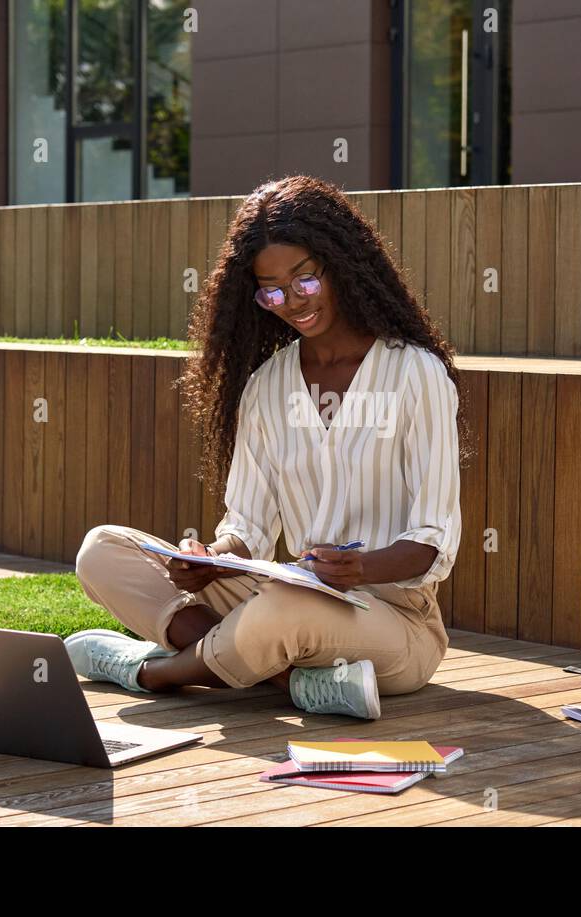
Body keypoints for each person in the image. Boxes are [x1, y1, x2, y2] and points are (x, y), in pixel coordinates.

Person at [66, 175, 466, 720]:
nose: (290, 301)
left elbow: (432, 542)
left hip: (395, 620)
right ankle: (293, 682)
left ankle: (151, 670)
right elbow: (248, 532)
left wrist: (359, 568)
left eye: (304, 278)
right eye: (271, 289)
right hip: (288, 597)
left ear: (341, 262)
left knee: (279, 612)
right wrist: (208, 563)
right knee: (102, 551)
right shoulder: (267, 385)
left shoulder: (415, 372)